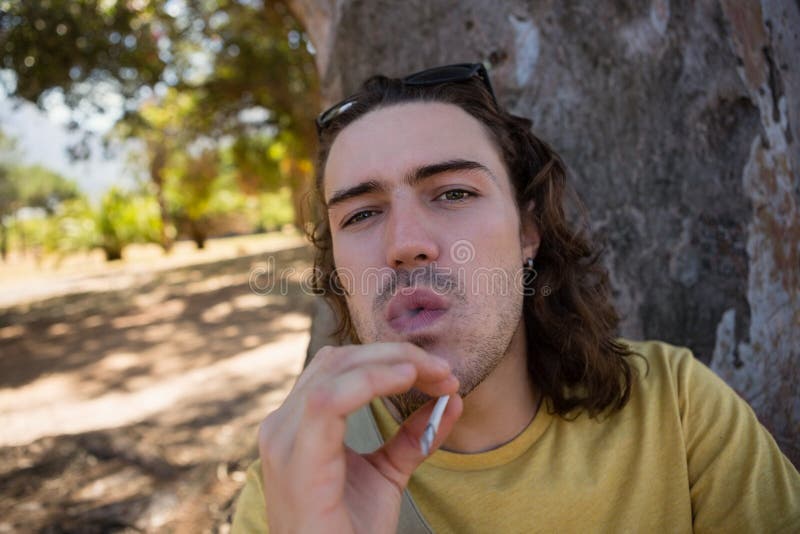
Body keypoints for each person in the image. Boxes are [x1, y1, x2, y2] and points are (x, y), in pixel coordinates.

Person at [231, 63, 800, 533]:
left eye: (454, 192)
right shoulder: (293, 484)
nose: (405, 244)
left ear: (528, 233)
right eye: (360, 214)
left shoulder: (675, 409)